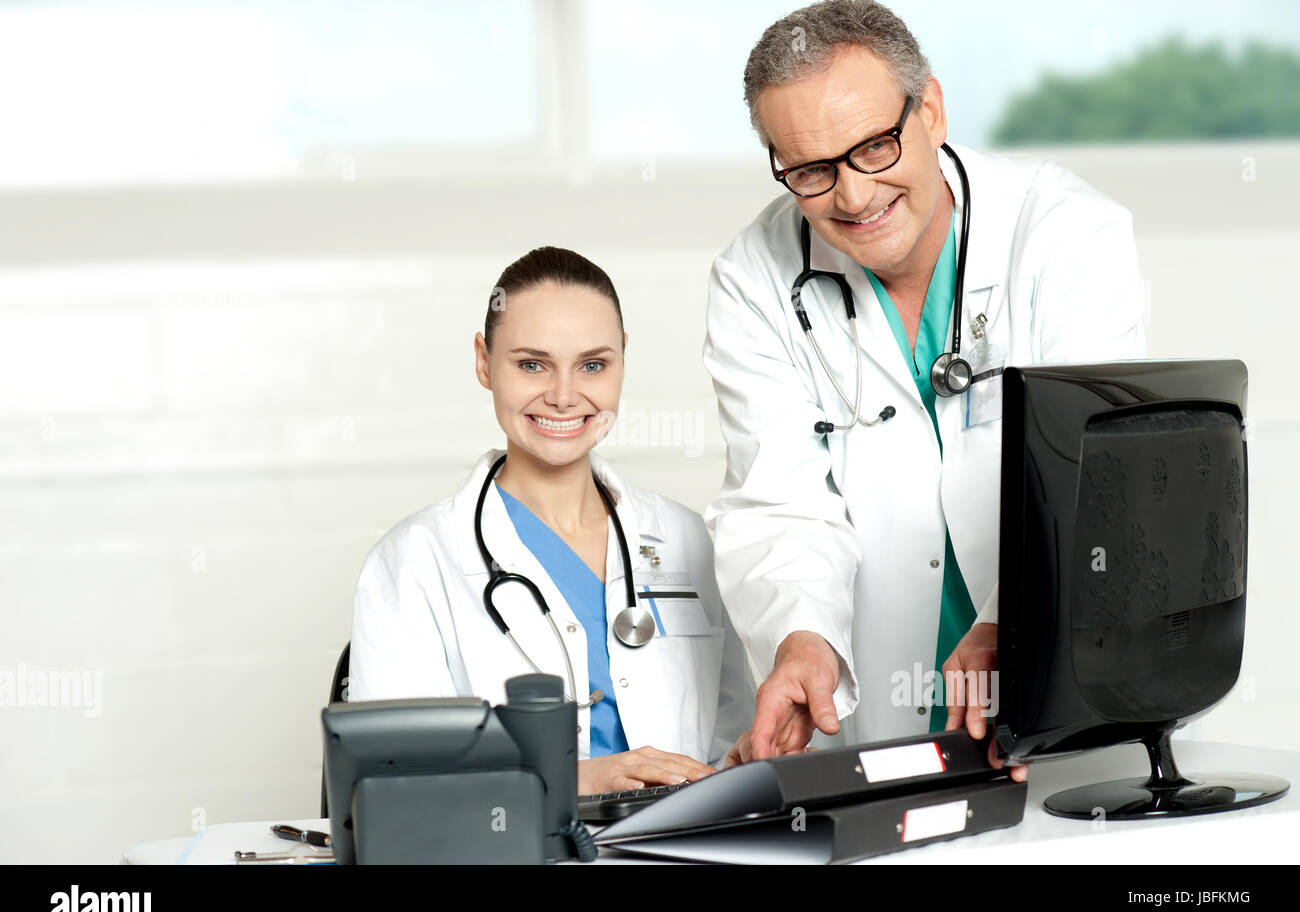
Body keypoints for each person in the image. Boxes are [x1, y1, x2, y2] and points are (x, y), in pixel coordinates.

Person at [704, 1, 1145, 768]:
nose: (851, 196)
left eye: (874, 146)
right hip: (886, 727)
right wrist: (803, 639)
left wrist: (1018, 621)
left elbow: (1098, 481)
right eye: (810, 169)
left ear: (930, 112)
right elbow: (779, 500)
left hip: (1072, 723)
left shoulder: (1064, 233)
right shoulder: (755, 277)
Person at [349, 246, 753, 794]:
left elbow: (733, 749)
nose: (564, 397)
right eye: (532, 364)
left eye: (593, 364)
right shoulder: (415, 560)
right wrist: (571, 781)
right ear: (483, 362)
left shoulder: (686, 540)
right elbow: (394, 781)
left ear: (622, 363)